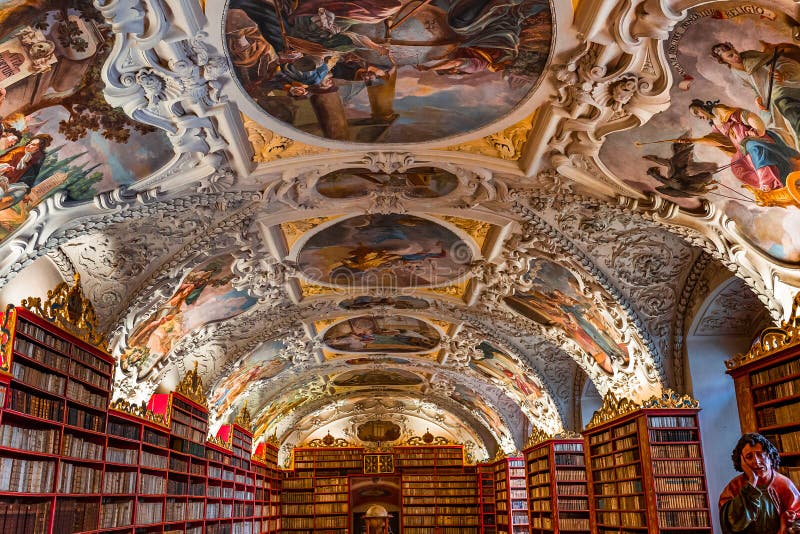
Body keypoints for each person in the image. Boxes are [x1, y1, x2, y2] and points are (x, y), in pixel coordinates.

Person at [686, 99, 800, 191]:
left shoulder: (719, 110)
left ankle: (767, 181)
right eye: (695, 115)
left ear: (702, 107)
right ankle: (769, 185)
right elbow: (716, 140)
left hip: (753, 138)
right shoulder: (715, 126)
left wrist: (757, 130)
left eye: (696, 112)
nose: (698, 116)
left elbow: (745, 115)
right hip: (742, 147)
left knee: (753, 148)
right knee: (736, 166)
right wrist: (693, 140)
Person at [711, 42, 800, 147]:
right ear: (723, 61)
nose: (736, 55)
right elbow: (753, 87)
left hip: (782, 84)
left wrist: (783, 75)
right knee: (768, 121)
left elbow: (779, 62)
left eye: (735, 52)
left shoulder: (751, 56)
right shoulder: (735, 72)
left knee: (783, 104)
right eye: (730, 55)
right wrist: (757, 97)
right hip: (767, 94)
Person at [719, 433, 800, 533]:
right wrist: (752, 481)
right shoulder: (734, 487)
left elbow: (797, 515)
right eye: (749, 457)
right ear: (742, 462)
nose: (756, 461)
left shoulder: (783, 484)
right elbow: (734, 523)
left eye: (760, 454)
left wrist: (790, 525)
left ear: (770, 456)